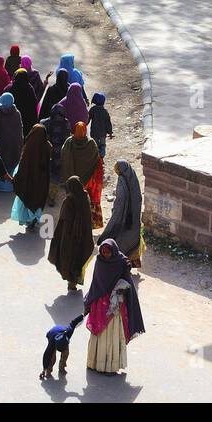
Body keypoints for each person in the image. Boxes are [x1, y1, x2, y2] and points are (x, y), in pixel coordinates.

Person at [83, 239, 145, 375]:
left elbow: (126, 281)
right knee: (99, 336)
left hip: (115, 305)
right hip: (100, 304)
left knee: (113, 335)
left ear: (114, 251)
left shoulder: (122, 262)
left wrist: (121, 290)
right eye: (103, 251)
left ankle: (110, 366)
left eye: (107, 252)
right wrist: (90, 301)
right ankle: (94, 363)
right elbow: (96, 282)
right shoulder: (100, 261)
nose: (105, 254)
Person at [48, 176, 94, 291]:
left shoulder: (69, 200)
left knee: (68, 257)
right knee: (79, 256)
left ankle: (71, 281)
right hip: (83, 235)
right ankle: (75, 280)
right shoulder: (85, 197)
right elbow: (88, 218)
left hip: (69, 235)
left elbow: (64, 219)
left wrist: (60, 235)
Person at [98, 160, 144, 268]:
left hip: (125, 216)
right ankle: (133, 261)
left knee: (121, 239)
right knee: (133, 236)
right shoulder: (133, 177)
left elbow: (120, 200)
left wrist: (116, 213)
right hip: (134, 214)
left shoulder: (122, 181)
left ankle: (122, 266)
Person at [62, 121, 104, 229]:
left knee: (74, 203)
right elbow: (97, 162)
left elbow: (64, 158)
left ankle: (74, 224)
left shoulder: (69, 143)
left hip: (73, 182)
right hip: (89, 182)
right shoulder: (91, 144)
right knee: (87, 203)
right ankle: (88, 224)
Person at [11, 124, 51, 232]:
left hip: (29, 179)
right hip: (42, 180)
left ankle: (30, 220)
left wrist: (18, 177)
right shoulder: (47, 146)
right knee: (38, 198)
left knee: (28, 196)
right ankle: (34, 219)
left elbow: (23, 163)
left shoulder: (29, 146)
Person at [0, 91, 24, 175]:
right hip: (13, 146)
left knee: (0, 166)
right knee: (10, 168)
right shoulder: (17, 114)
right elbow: (19, 132)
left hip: (0, 144)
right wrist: (20, 145)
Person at [44, 105, 71, 180]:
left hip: (50, 151)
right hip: (62, 151)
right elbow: (67, 138)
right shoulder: (66, 123)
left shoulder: (46, 122)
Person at [88, 92, 113, 159]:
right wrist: (110, 132)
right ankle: (101, 158)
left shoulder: (92, 110)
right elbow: (108, 123)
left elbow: (88, 119)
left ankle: (96, 158)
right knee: (102, 145)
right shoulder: (105, 111)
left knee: (95, 145)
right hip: (102, 133)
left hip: (94, 132)